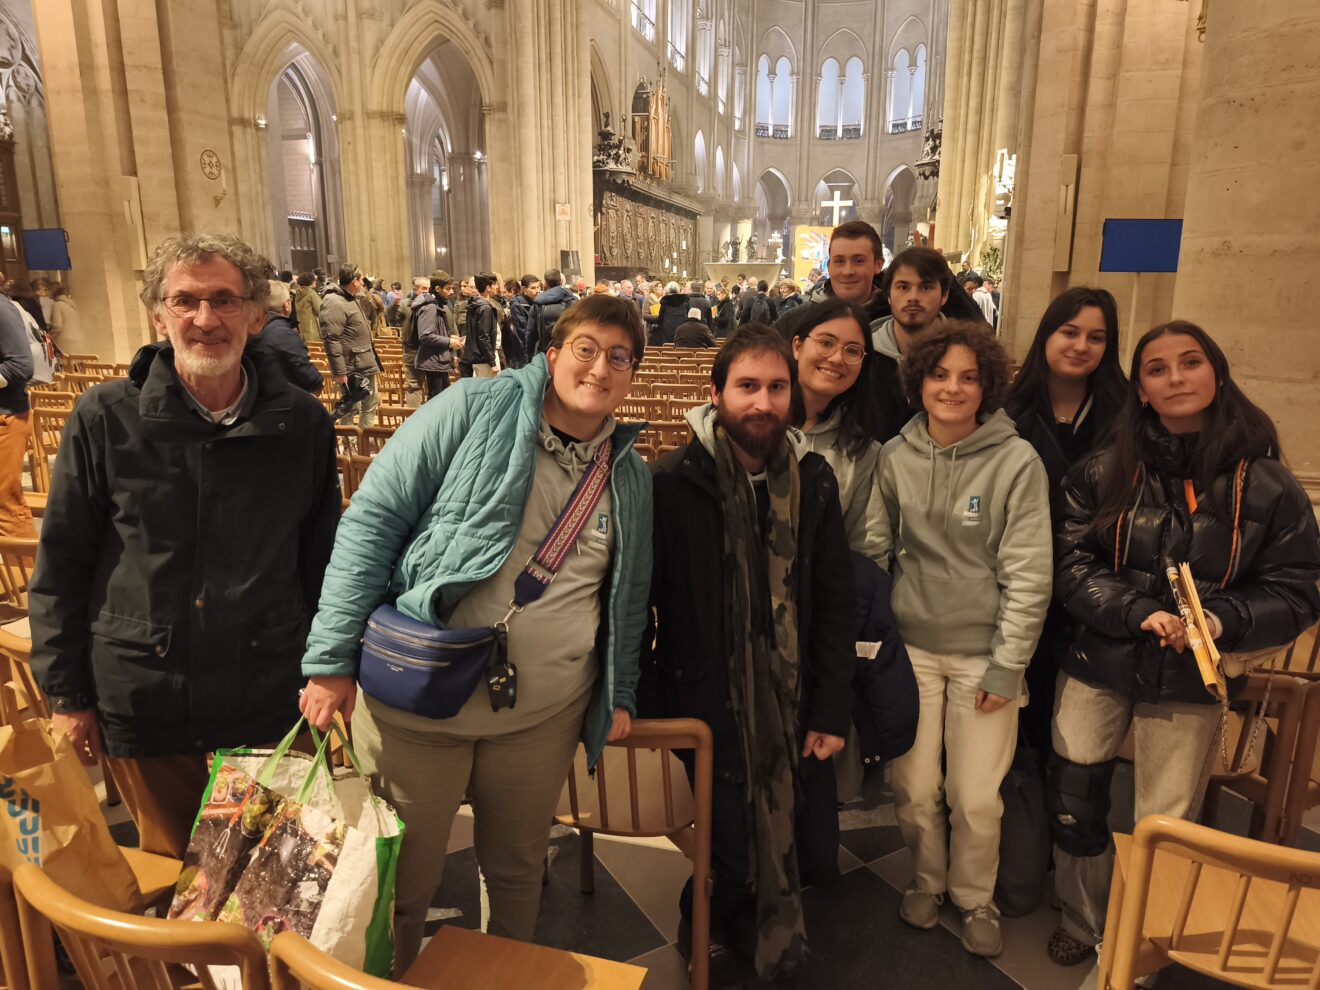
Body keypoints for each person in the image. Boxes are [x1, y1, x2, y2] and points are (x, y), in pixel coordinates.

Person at [298, 295, 652, 970]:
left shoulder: (628, 474)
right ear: (551, 356)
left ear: (631, 375)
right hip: (419, 710)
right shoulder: (469, 408)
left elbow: (626, 598)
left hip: (541, 717)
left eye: (618, 357)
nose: (600, 367)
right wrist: (330, 660)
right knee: (402, 882)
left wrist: (622, 690)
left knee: (518, 876)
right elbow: (371, 522)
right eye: (585, 348)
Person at [27, 233, 339, 858]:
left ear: (256, 313)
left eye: (224, 300)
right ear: (157, 313)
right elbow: (62, 566)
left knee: (271, 881)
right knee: (173, 875)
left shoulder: (300, 421)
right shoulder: (104, 417)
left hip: (266, 690)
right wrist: (67, 695)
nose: (205, 320)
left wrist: (332, 666)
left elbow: (323, 559)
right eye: (185, 301)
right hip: (147, 691)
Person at [1045, 320, 1320, 965]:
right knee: (1075, 794)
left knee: (1166, 815)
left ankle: (1142, 933)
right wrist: (1136, 609)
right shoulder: (1106, 469)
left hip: (1193, 670)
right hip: (1101, 654)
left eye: (1190, 363)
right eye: (1157, 369)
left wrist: (1221, 619)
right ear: (1139, 389)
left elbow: (1299, 586)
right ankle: (1082, 918)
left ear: (1216, 375)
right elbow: (1070, 562)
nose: (1175, 378)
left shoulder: (1267, 483)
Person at [640, 324, 854, 985]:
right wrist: (642, 698)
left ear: (794, 396)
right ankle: (701, 920)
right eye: (747, 387)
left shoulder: (813, 482)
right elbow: (637, 602)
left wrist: (829, 706)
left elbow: (834, 604)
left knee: (784, 844)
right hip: (706, 696)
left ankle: (734, 921)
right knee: (731, 848)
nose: (763, 403)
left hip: (791, 702)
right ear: (716, 394)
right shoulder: (672, 482)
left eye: (776, 388)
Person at [880, 321, 1052, 959]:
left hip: (986, 654)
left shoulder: (1016, 461)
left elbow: (1030, 573)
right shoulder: (894, 457)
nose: (952, 388)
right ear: (919, 381)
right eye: (939, 374)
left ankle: (976, 897)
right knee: (915, 787)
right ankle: (927, 880)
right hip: (912, 650)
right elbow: (876, 552)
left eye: (968, 377)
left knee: (976, 795)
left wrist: (1008, 667)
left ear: (988, 387)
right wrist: (874, 651)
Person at [1003, 288, 1126, 753]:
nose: (1081, 346)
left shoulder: (1126, 415)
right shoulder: (1007, 411)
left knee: (1077, 736)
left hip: (1093, 591)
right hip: (1023, 586)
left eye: (1096, 337)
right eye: (1069, 332)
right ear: (1046, 336)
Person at [788, 297, 886, 564]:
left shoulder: (861, 449)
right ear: (797, 346)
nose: (836, 358)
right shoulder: (757, 423)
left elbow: (867, 546)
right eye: (826, 343)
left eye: (852, 351)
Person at [322, 264, 382, 426]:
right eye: (362, 280)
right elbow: (331, 339)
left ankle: (364, 440)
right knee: (351, 407)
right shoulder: (334, 302)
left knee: (370, 403)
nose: (363, 283)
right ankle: (351, 442)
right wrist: (339, 372)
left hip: (362, 360)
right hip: (352, 365)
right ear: (354, 281)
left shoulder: (348, 297)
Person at [0, 298, 34, 538]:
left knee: (6, 507)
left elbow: (22, 366)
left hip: (5, 417)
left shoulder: (1, 308)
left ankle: (25, 575)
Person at [251, 279, 323, 393]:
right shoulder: (284, 334)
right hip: (286, 399)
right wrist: (318, 383)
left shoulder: (251, 329)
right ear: (287, 305)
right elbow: (307, 373)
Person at [414, 270, 461, 399]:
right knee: (436, 400)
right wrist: (449, 341)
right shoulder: (430, 307)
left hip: (439, 360)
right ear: (437, 289)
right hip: (433, 360)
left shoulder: (436, 305)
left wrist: (450, 339)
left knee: (443, 399)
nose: (451, 292)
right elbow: (425, 335)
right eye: (448, 288)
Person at [459, 272, 499, 378]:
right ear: (488, 287)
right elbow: (484, 336)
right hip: (483, 358)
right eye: (495, 284)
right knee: (488, 390)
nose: (497, 287)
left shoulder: (474, 304)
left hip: (476, 356)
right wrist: (492, 362)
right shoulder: (485, 307)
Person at [528, 268, 576, 354]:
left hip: (544, 352)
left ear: (545, 284)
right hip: (568, 351)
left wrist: (529, 356)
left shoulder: (537, 305)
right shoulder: (573, 302)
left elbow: (531, 334)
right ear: (561, 282)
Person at [47, 283, 85, 356]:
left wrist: (49, 337)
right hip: (77, 340)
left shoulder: (56, 305)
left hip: (64, 342)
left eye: (48, 290)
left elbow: (57, 327)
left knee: (65, 366)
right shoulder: (71, 304)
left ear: (52, 291)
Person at [295, 271, 321, 342]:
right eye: (314, 280)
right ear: (310, 281)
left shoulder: (298, 293)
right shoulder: (311, 293)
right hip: (312, 330)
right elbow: (320, 310)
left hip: (302, 330)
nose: (315, 281)